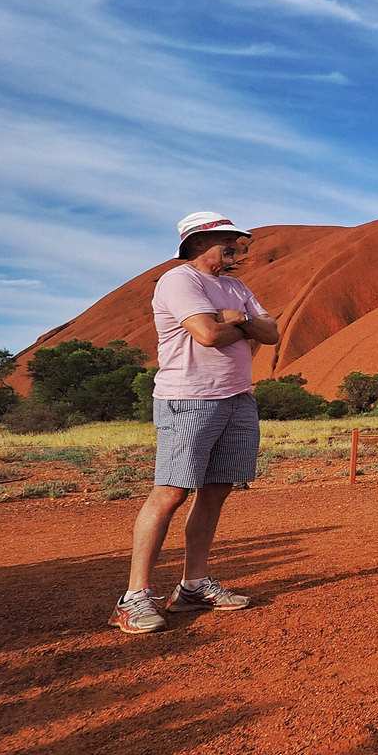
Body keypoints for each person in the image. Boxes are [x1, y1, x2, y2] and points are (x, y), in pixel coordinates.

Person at [112, 211, 278, 633]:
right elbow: (207, 334)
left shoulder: (236, 288)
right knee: (171, 492)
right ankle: (134, 597)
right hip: (189, 399)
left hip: (237, 398)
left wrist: (237, 319)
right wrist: (238, 323)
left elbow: (272, 331)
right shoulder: (180, 280)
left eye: (236, 239)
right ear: (198, 243)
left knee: (216, 490)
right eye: (226, 239)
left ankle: (193, 586)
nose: (235, 245)